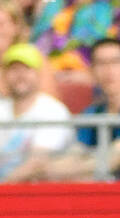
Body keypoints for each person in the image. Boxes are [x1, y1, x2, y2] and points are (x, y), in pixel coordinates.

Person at [38, 38, 120, 182]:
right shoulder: (92, 113)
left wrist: (67, 172)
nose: (108, 70)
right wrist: (47, 170)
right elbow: (76, 152)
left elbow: (114, 159)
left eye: (115, 62)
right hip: (95, 186)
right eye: (101, 63)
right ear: (92, 70)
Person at [0, 43, 74, 182]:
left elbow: (37, 162)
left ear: (38, 74)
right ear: (4, 75)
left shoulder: (52, 110)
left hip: (42, 194)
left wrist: (4, 186)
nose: (20, 75)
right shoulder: (2, 108)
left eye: (27, 69)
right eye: (14, 69)